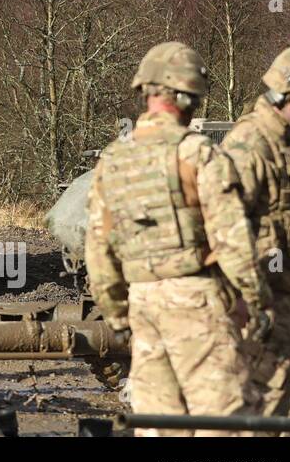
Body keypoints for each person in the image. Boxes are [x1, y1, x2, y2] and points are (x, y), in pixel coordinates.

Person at [85, 41, 271, 435]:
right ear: (189, 97)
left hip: (142, 302)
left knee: (157, 422)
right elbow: (233, 240)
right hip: (196, 301)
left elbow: (98, 249)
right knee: (222, 419)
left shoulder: (113, 159)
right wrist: (255, 302)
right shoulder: (199, 154)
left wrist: (117, 312)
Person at [222, 45, 290, 419]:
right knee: (265, 404)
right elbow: (226, 229)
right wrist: (251, 298)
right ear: (282, 93)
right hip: (262, 302)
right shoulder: (250, 144)